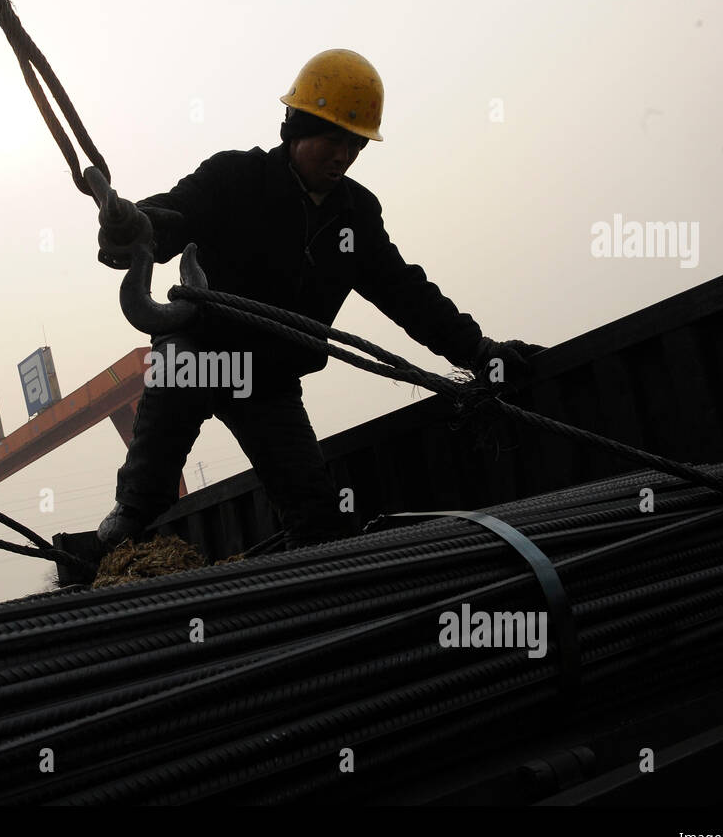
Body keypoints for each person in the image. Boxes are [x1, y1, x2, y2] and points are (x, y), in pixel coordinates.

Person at [95, 48, 544, 551]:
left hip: (268, 381)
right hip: (200, 355)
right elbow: (166, 222)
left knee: (317, 520)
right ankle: (120, 532)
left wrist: (480, 352)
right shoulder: (232, 180)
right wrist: (130, 228)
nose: (343, 156)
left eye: (355, 145)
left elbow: (406, 293)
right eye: (333, 139)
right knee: (143, 498)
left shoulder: (354, 216)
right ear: (296, 128)